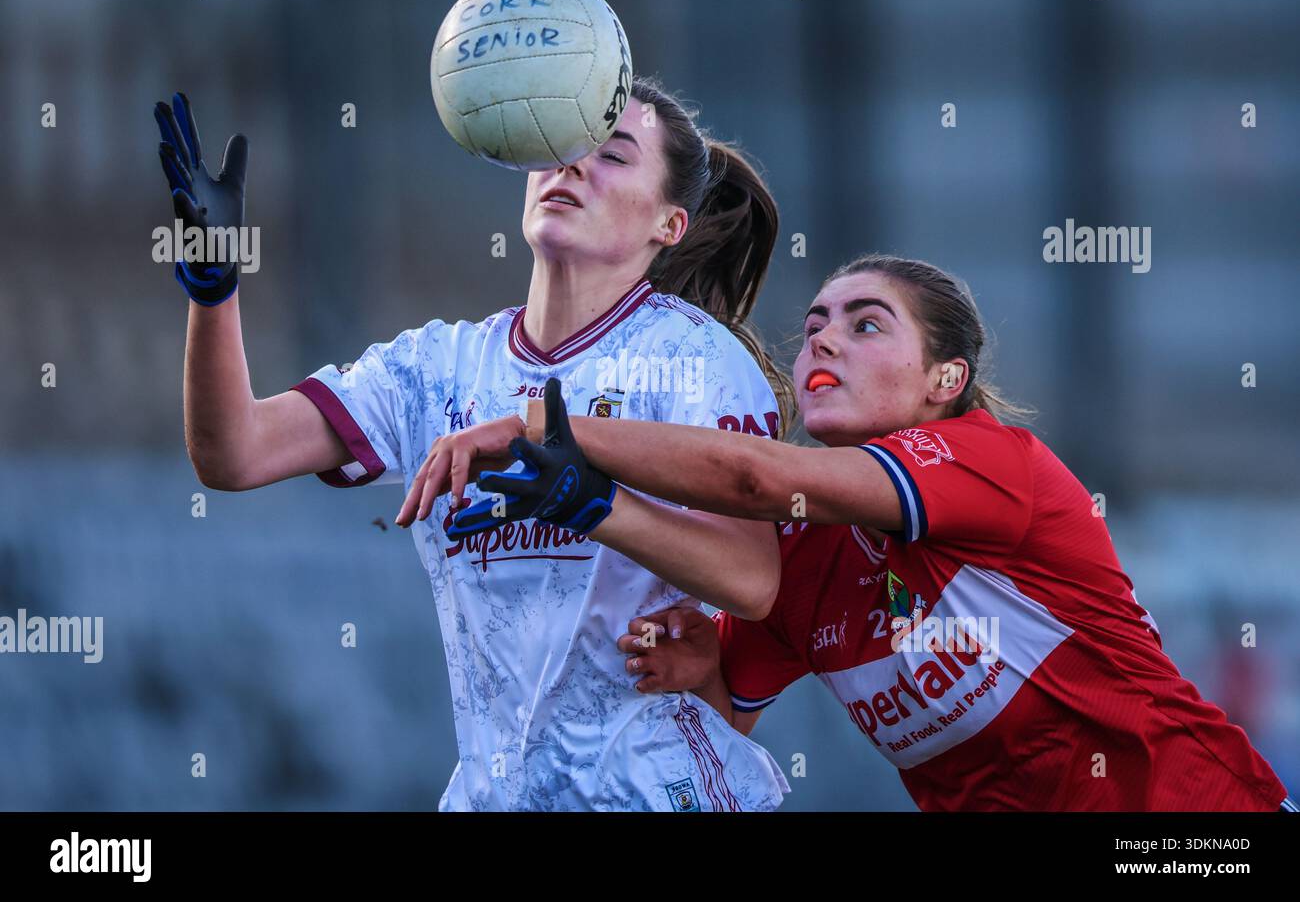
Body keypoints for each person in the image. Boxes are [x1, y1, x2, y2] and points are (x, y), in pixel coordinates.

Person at [413, 253, 1294, 811]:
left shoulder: (997, 463)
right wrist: (688, 656)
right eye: (815, 326)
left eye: (867, 324)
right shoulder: (798, 556)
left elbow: (759, 475)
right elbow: (724, 711)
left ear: (944, 378)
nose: (826, 340)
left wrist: (547, 426)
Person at [153, 79, 793, 811]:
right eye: (558, 142)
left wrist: (592, 502)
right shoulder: (436, 366)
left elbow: (752, 579)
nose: (572, 164)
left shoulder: (697, 360)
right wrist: (214, 290)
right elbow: (233, 452)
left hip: (657, 792)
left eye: (613, 153)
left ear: (669, 224)